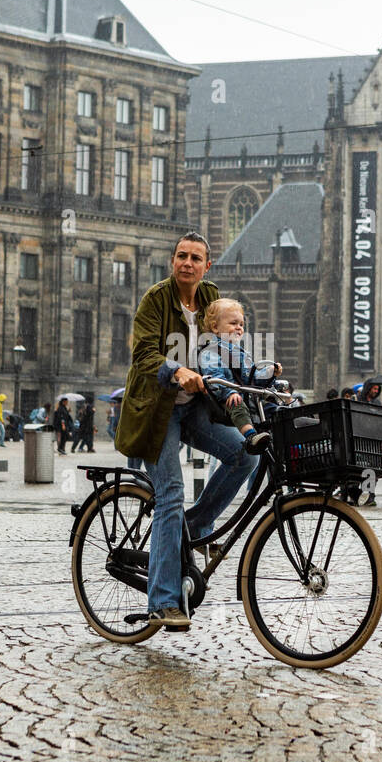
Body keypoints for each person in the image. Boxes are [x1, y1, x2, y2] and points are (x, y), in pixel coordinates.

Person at [113, 231, 256, 630]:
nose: (187, 263)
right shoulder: (155, 300)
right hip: (156, 413)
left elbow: (230, 340)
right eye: (181, 256)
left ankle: (194, 525)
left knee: (246, 453)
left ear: (207, 266)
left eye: (195, 258)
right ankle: (162, 601)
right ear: (172, 261)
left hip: (196, 407)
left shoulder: (211, 296)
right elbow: (142, 353)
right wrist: (175, 370)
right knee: (171, 493)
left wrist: (256, 372)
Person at [197, 298, 278, 450]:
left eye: (241, 324)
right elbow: (215, 378)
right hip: (228, 402)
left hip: (248, 398)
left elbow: (251, 377)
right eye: (233, 324)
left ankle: (297, 424)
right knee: (237, 404)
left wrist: (269, 374)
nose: (239, 328)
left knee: (273, 406)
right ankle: (251, 436)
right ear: (215, 327)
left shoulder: (240, 352)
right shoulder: (210, 352)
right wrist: (230, 393)